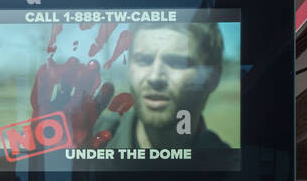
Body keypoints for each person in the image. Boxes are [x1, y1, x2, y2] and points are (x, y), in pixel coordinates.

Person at [91, 21, 234, 160]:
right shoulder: (85, 142)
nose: (155, 77)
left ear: (212, 77)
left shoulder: (231, 173)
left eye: (177, 62)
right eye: (143, 60)